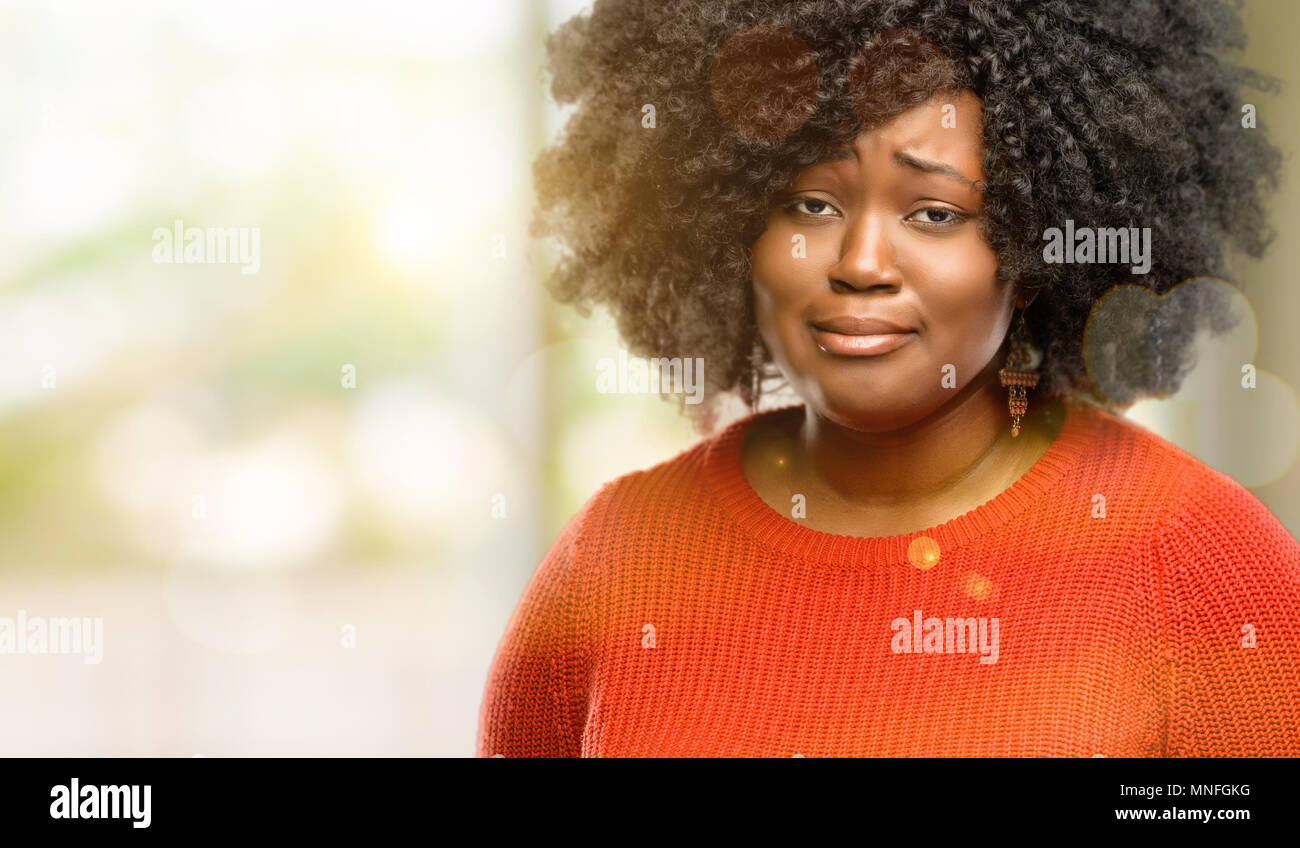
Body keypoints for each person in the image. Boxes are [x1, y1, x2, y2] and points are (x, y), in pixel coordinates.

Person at [478, 0, 1300, 757]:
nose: (861, 264)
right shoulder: (613, 561)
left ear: (1037, 251)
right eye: (809, 204)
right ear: (729, 223)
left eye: (934, 213)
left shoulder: (1202, 568)